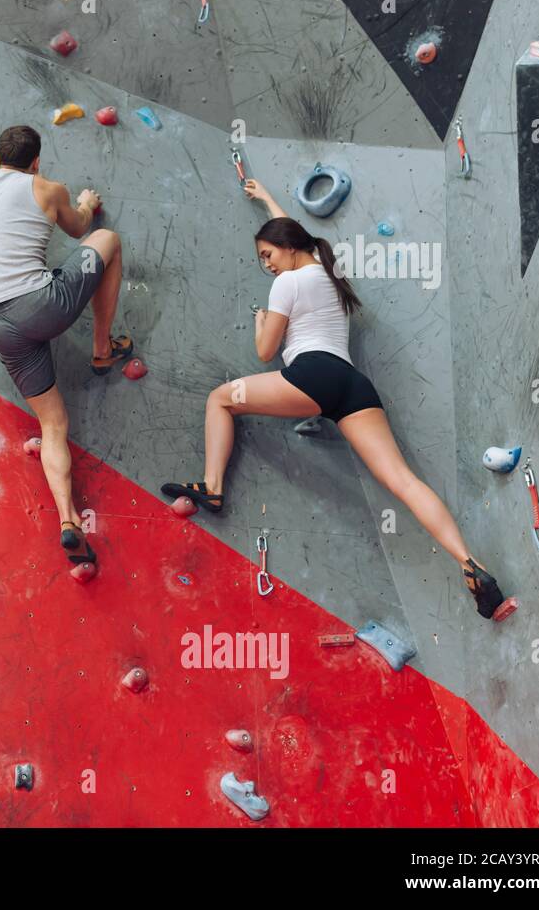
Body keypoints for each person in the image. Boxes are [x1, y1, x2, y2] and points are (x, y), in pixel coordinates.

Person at [160, 178, 513, 621]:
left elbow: (266, 352)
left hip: (312, 376)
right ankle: (471, 566)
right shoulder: (329, 272)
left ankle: (212, 487)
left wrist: (262, 324)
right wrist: (266, 199)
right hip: (351, 384)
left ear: (285, 248)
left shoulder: (286, 284)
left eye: (266, 256)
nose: (266, 265)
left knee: (219, 399)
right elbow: (289, 234)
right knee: (403, 480)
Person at [0, 125, 132, 573]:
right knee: (107, 242)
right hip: (41, 304)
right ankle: (102, 348)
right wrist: (87, 205)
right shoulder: (49, 188)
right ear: (36, 162)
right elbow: (79, 228)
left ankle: (68, 518)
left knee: (53, 423)